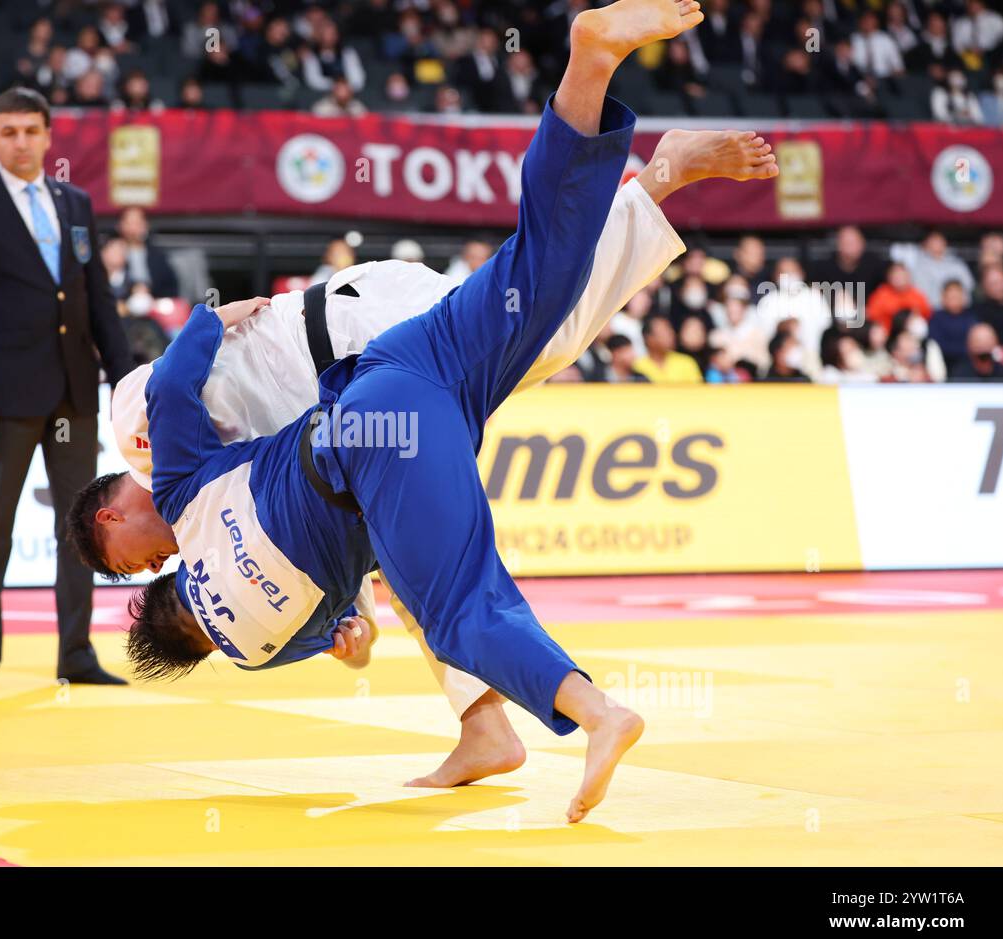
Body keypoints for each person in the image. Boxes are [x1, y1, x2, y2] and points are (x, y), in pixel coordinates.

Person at [118, 0, 709, 824]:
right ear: (163, 592)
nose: (151, 556)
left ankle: (598, 713)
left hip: (371, 425)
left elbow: (341, 622)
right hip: (382, 367)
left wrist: (351, 639)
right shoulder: (182, 494)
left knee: (457, 605)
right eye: (145, 572)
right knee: (537, 287)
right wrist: (218, 314)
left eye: (128, 554)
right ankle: (605, 94)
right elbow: (180, 373)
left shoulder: (252, 648)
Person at [0, 87, 136, 692]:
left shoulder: (75, 203)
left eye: (31, 130)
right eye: (9, 132)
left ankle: (76, 653)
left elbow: (97, 297)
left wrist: (125, 381)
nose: (21, 141)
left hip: (74, 389)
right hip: (2, 396)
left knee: (81, 530)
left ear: (49, 135)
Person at [634, 314, 704, 383]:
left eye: (670, 330)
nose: (671, 334)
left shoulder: (687, 363)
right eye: (664, 332)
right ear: (649, 339)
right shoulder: (638, 366)